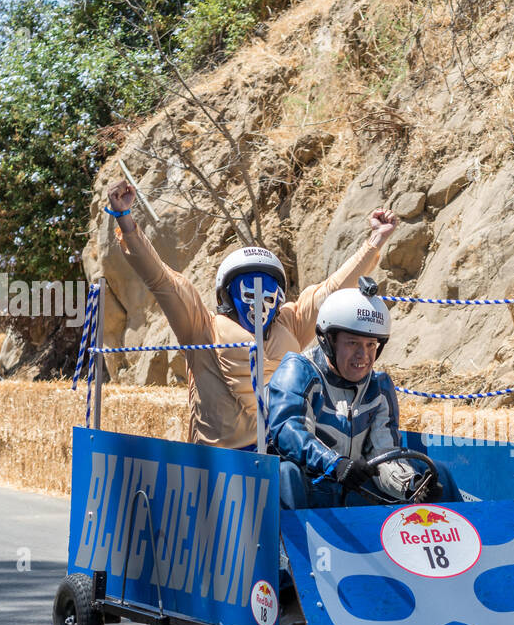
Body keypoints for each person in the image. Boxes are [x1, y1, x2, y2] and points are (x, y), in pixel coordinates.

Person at [105, 178, 399, 450]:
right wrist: (126, 221)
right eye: (249, 292)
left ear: (280, 295)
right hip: (223, 464)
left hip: (282, 455)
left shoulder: (292, 322)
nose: (259, 303)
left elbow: (335, 288)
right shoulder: (200, 327)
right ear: (227, 294)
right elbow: (162, 280)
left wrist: (376, 240)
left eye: (268, 294)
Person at [267, 279, 459, 510]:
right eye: (353, 343)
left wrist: (411, 486)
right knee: (285, 473)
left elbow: (385, 453)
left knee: (439, 474)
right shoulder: (298, 371)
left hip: (351, 491)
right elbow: (288, 432)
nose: (364, 355)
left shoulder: (379, 386)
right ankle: (289, 546)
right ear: (328, 340)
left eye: (371, 345)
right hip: (311, 489)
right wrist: (335, 464)